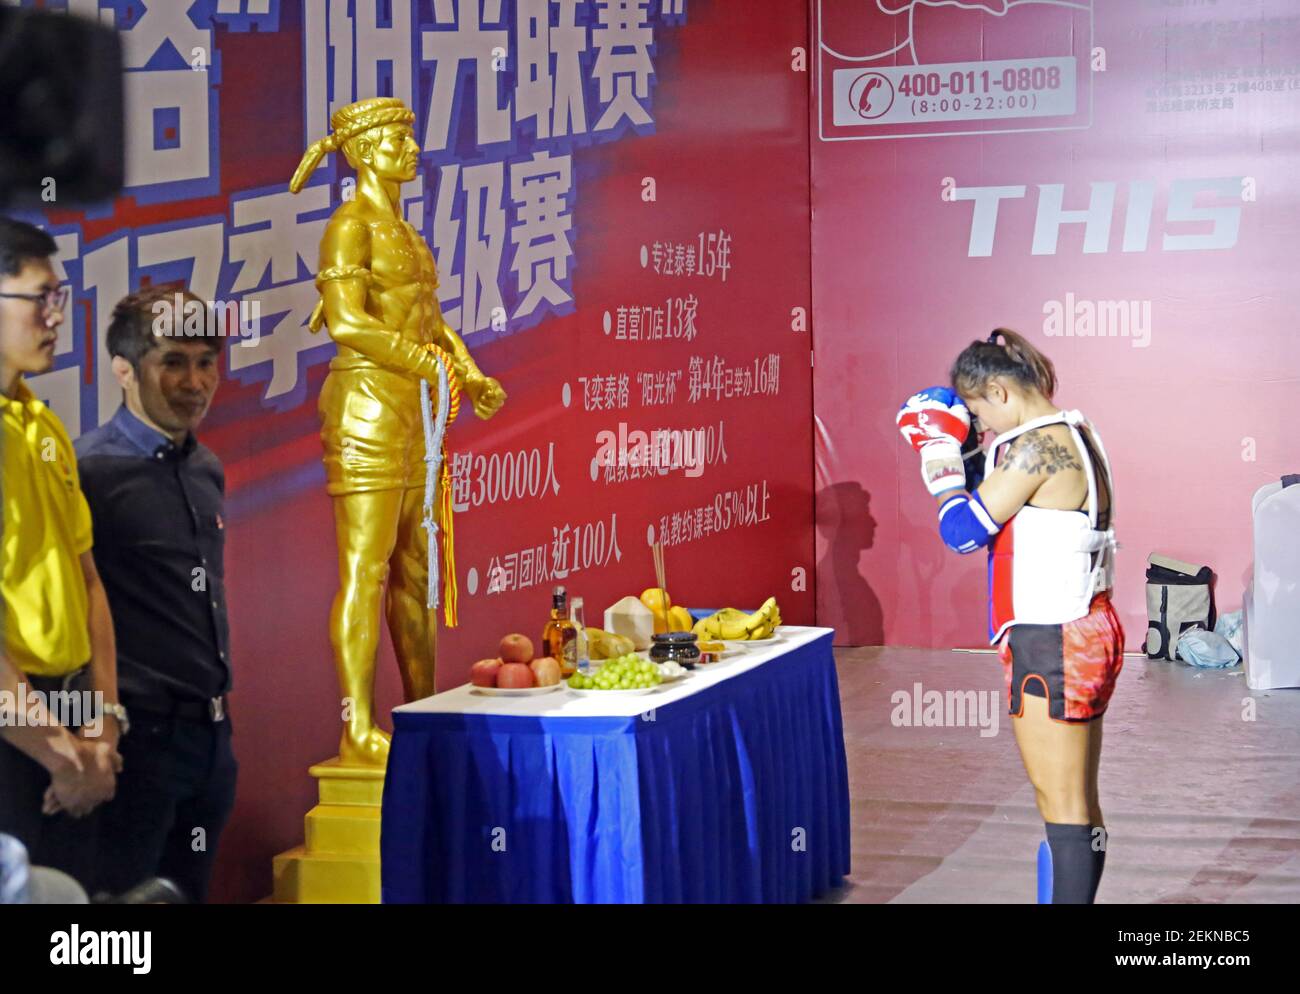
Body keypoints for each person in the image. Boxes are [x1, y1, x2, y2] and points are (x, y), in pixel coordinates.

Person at [290, 97, 506, 765]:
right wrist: (426, 364)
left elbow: (429, 321)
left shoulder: (409, 236)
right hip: (366, 405)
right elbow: (347, 322)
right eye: (395, 137)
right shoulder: (347, 226)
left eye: (410, 136)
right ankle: (356, 727)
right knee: (366, 567)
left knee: (417, 566)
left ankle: (420, 709)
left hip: (420, 407)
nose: (411, 149)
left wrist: (466, 372)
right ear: (360, 150)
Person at [896, 328, 1122, 904]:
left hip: (1052, 638)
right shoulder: (1071, 432)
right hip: (1076, 627)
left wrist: (939, 459)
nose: (981, 427)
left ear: (997, 390)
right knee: (1075, 801)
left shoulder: (1032, 449)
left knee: (1062, 805)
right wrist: (969, 457)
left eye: (978, 412)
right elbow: (1002, 499)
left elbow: (964, 532)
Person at [74, 285, 236, 903]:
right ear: (122, 370)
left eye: (205, 361)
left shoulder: (205, 467)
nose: (194, 381)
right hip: (134, 748)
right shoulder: (87, 472)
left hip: (212, 745)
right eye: (172, 362)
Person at [0, 217, 122, 888]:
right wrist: (60, 757)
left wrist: (102, 730)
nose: (55, 318)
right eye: (37, 298)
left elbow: (89, 583)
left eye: (60, 298)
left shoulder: (40, 422)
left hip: (70, 719)